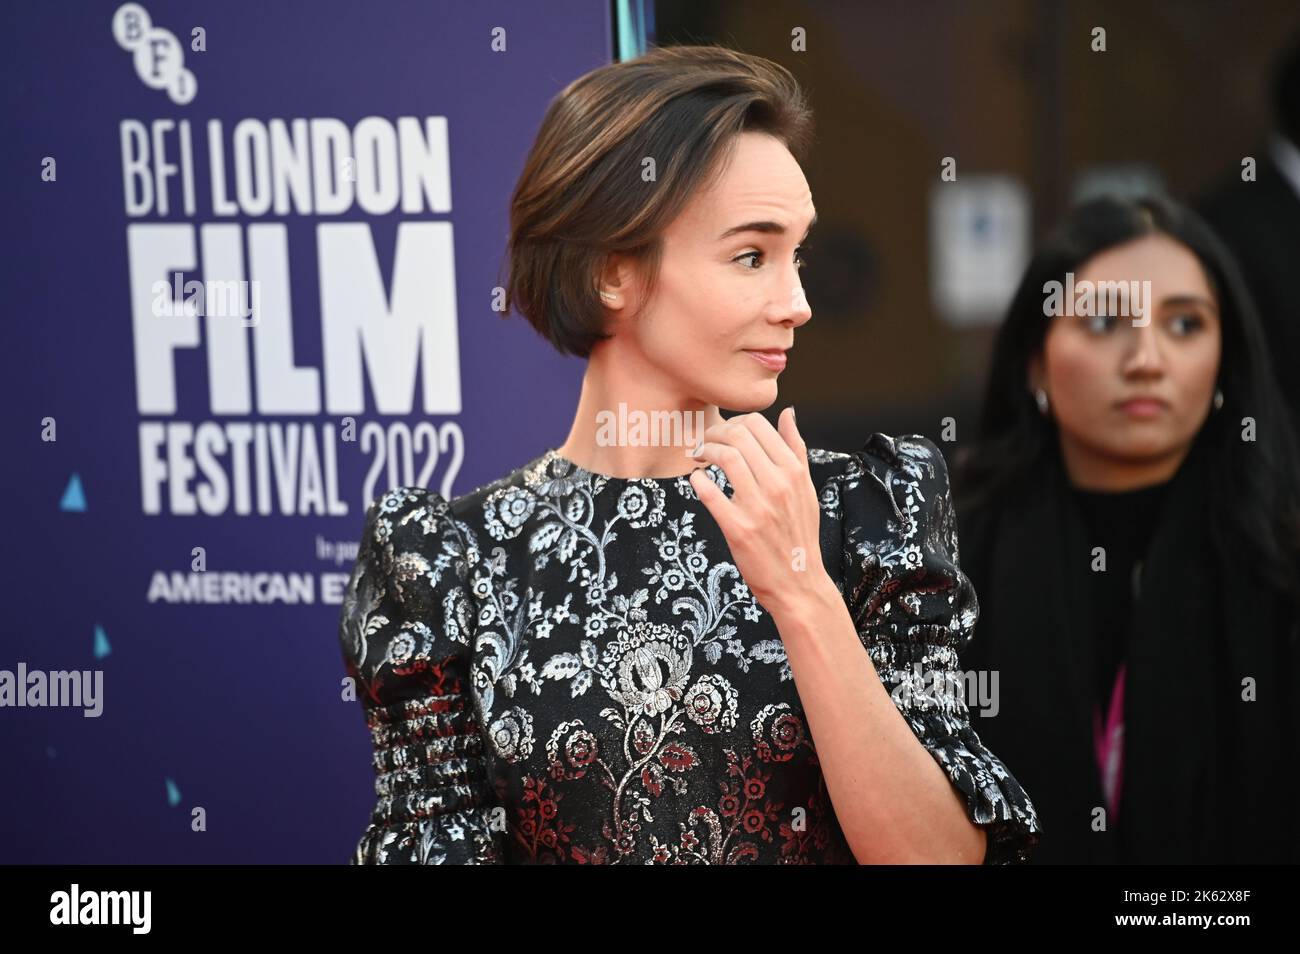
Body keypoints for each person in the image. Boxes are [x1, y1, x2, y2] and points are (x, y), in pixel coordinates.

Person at [338, 44, 1040, 864]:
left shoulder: (866, 512)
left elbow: (940, 858)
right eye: (751, 256)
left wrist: (804, 592)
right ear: (612, 273)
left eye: (798, 255)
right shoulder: (451, 562)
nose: (799, 304)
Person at [953, 195, 1300, 863]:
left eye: (1185, 324)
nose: (1147, 358)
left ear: (1226, 360)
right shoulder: (948, 560)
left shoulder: (1282, 553)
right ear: (1035, 359)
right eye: (1106, 322)